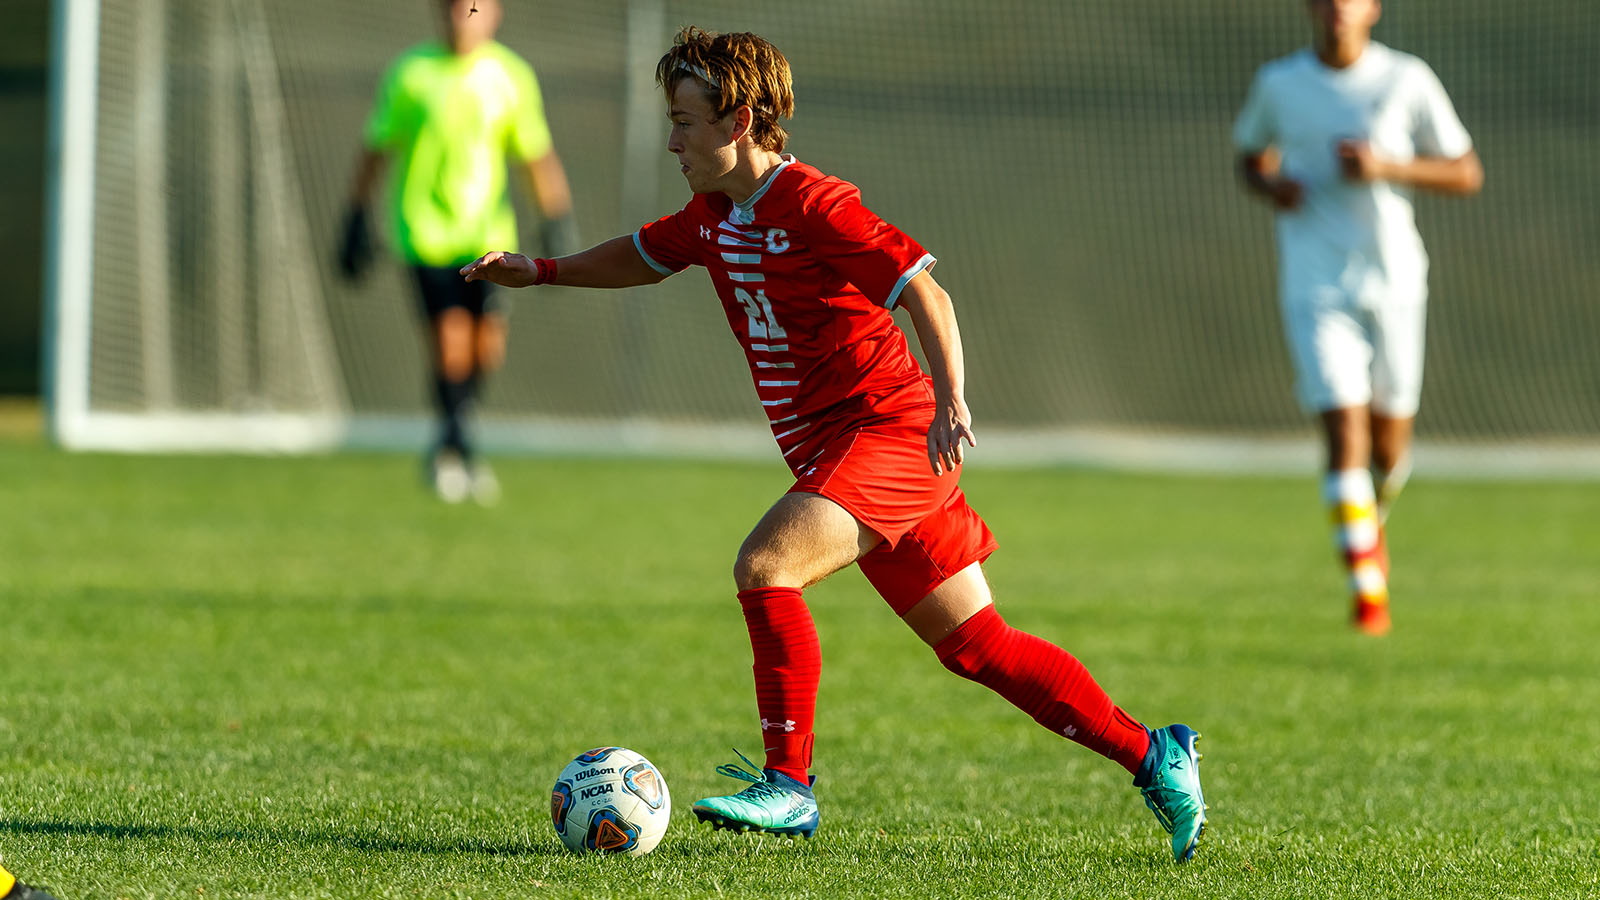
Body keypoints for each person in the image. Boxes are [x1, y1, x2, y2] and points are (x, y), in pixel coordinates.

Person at [463, 26, 1208, 862]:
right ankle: (1155, 753)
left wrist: (952, 401)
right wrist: (544, 270)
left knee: (766, 567)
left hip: (889, 432)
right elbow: (641, 255)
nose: (672, 140)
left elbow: (928, 292)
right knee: (976, 645)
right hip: (840, 450)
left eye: (684, 121)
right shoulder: (714, 216)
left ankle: (790, 785)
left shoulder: (813, 204)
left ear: (739, 120)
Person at [1233, 0, 1482, 635]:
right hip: (1314, 284)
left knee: (1390, 450)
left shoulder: (1407, 78)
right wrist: (1273, 186)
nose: (1340, 7)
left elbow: (1465, 171)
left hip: (1396, 281)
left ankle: (1369, 522)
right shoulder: (1280, 83)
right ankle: (1368, 596)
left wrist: (1386, 166)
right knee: (1344, 433)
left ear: (1373, 8)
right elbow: (1249, 157)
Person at [339, 0, 578, 504]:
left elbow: (536, 154)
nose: (462, 16)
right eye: (452, 6)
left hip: (489, 237)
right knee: (450, 340)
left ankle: (451, 441)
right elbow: (376, 147)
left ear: (496, 13)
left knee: (487, 347)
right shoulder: (412, 74)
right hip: (425, 233)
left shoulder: (510, 76)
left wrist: (556, 219)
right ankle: (458, 452)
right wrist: (355, 217)